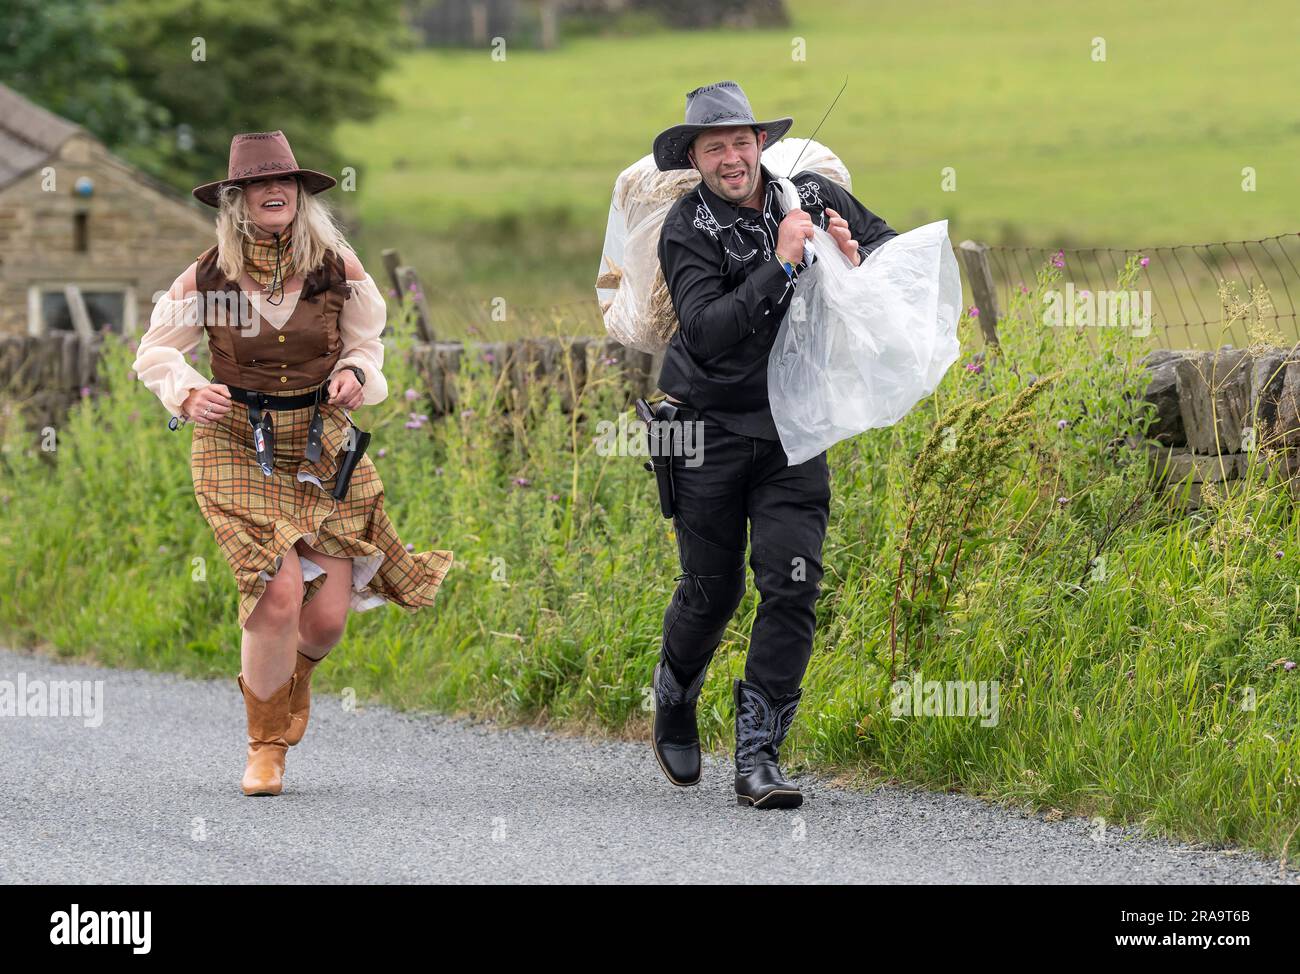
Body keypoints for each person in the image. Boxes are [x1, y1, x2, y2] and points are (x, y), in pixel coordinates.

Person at [132, 130, 453, 797]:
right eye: (257, 183)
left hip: (319, 442)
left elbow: (368, 342)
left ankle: (293, 681)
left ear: (301, 194)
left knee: (329, 617)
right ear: (237, 199)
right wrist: (188, 391)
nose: (273, 192)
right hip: (236, 444)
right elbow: (156, 351)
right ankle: (265, 746)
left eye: (285, 182)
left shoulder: (336, 266)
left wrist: (357, 371)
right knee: (277, 593)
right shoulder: (210, 274)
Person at [648, 81, 897, 808]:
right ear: (694, 157)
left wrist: (853, 255)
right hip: (707, 427)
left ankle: (759, 754)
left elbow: (887, 256)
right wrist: (780, 265)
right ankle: (675, 691)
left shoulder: (812, 195)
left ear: (761, 143)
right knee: (711, 588)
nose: (731, 157)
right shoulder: (685, 227)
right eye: (714, 146)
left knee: (792, 584)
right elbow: (707, 329)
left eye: (741, 141)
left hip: (795, 427)